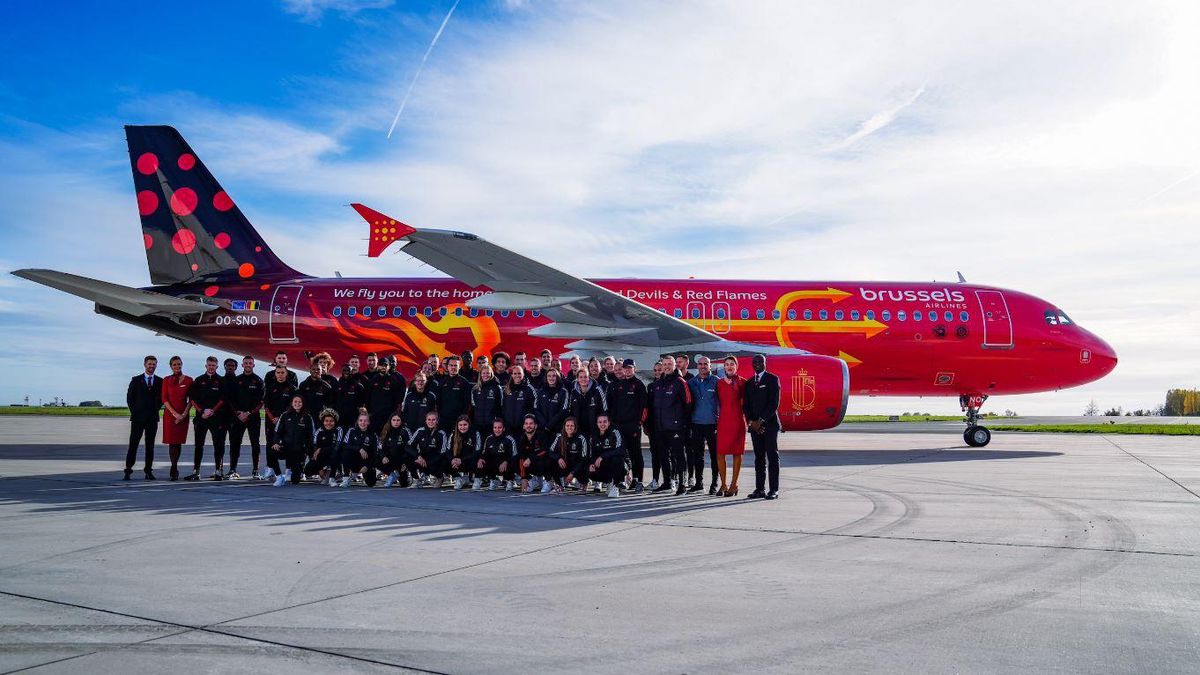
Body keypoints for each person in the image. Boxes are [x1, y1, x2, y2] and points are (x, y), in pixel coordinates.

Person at [652, 355, 692, 495]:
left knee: (679, 456)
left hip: (676, 427)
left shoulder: (680, 382)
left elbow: (688, 404)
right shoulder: (657, 384)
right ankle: (667, 482)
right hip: (660, 427)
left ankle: (682, 484)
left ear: (675, 365)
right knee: (663, 456)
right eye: (665, 364)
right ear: (662, 366)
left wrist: (683, 424)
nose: (667, 366)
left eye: (670, 364)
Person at [744, 354, 781, 500]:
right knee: (758, 458)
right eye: (755, 362)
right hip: (754, 427)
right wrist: (752, 422)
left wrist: (761, 420)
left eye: (760, 361)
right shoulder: (749, 383)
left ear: (765, 363)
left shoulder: (772, 379)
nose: (758, 364)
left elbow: (774, 403)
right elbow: (746, 405)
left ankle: (774, 490)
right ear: (752, 364)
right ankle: (760, 489)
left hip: (770, 425)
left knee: (772, 457)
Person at [608, 358, 647, 491]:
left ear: (634, 369)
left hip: (633, 426)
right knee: (621, 454)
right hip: (619, 426)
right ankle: (622, 480)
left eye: (630, 368)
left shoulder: (639, 385)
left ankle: (638, 480)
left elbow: (644, 407)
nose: (628, 370)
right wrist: (613, 423)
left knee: (636, 454)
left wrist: (639, 423)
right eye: (626, 368)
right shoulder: (619, 385)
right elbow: (613, 406)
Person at [186, 356, 225, 481]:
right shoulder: (198, 380)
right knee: (198, 445)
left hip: (216, 417)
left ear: (217, 366)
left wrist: (212, 410)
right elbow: (192, 399)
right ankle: (196, 471)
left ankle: (218, 471)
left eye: (213, 365)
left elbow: (223, 399)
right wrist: (202, 411)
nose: (211, 367)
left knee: (218, 445)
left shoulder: (221, 380)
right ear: (206, 366)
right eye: (209, 365)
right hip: (201, 418)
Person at [125, 355, 162, 480]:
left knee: (150, 445)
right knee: (133, 444)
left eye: (154, 364)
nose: (151, 366)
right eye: (149, 364)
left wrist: (155, 408)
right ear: (145, 365)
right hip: (138, 418)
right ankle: (128, 469)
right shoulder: (136, 380)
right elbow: (130, 398)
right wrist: (135, 412)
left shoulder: (159, 381)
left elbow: (161, 399)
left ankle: (148, 471)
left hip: (152, 418)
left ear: (156, 365)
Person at [687, 356, 720, 494]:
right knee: (698, 456)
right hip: (696, 424)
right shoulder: (691, 383)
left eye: (705, 364)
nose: (702, 366)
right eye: (700, 364)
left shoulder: (717, 382)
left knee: (714, 456)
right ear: (697, 366)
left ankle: (714, 483)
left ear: (710, 366)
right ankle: (699, 483)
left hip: (713, 424)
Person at [228, 355, 264, 480]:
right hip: (238, 417)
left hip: (253, 417)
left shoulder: (258, 381)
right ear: (242, 365)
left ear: (253, 365)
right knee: (235, 443)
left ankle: (255, 470)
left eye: (250, 363)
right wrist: (239, 413)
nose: (248, 365)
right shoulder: (236, 380)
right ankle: (232, 469)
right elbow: (231, 400)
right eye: (246, 363)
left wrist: (249, 413)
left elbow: (261, 402)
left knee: (255, 444)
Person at [716, 356, 747, 497]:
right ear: (724, 367)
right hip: (723, 421)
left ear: (736, 366)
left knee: (737, 452)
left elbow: (748, 404)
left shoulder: (743, 383)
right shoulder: (719, 383)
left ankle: (734, 484)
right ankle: (723, 484)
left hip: (737, 421)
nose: (729, 366)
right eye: (727, 364)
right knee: (720, 453)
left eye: (732, 364)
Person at [262, 364, 297, 481]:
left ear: (286, 374)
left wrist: (281, 419)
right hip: (272, 421)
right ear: (275, 374)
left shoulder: (292, 389)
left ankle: (288, 470)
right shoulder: (270, 388)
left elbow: (293, 406)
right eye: (278, 372)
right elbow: (266, 406)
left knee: (289, 445)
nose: (280, 375)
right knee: (270, 445)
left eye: (282, 372)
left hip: (287, 422)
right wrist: (273, 418)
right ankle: (272, 470)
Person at [161, 356, 192, 481]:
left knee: (178, 442)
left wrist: (183, 414)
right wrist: (175, 414)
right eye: (174, 364)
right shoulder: (166, 380)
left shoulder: (189, 380)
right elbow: (164, 399)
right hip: (170, 415)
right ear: (171, 366)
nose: (177, 366)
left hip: (183, 414)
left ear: (182, 364)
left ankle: (174, 465)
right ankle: (174, 467)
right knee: (172, 442)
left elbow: (191, 399)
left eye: (179, 364)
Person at [271, 394, 314, 486]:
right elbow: (277, 432)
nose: (297, 404)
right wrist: (276, 443)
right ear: (292, 403)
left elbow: (311, 435)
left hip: (299, 451)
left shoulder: (307, 417)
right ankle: (279, 477)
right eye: (295, 401)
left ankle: (297, 472)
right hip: (286, 447)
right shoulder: (285, 415)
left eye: (299, 402)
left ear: (303, 403)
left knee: (295, 481)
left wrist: (307, 450)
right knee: (271, 452)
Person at [210, 357, 238, 480]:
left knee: (234, 444)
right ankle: (219, 469)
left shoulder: (239, 381)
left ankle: (233, 469)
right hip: (221, 417)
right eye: (228, 365)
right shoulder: (219, 380)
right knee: (219, 444)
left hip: (234, 418)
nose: (230, 367)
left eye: (232, 365)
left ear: (236, 367)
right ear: (224, 367)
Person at [406, 411, 449, 487]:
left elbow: (442, 453)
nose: (431, 422)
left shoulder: (441, 433)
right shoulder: (420, 431)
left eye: (433, 420)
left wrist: (428, 463)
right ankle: (417, 479)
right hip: (422, 458)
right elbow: (408, 446)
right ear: (425, 420)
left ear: (437, 421)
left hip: (435, 461)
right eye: (429, 419)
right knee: (407, 457)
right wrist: (418, 456)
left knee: (442, 461)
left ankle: (440, 477)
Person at [590, 414, 627, 498]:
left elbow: (620, 449)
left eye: (604, 422)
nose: (602, 424)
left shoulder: (615, 431)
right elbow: (591, 453)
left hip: (614, 462)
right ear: (597, 423)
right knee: (588, 468)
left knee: (617, 459)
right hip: (602, 464)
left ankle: (615, 485)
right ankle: (606, 481)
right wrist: (591, 463)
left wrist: (602, 456)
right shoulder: (594, 434)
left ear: (609, 423)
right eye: (600, 422)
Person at [338, 412, 380, 487]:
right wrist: (359, 449)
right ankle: (346, 477)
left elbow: (376, 453)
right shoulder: (352, 430)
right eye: (360, 420)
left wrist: (367, 466)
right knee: (345, 452)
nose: (362, 423)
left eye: (365, 421)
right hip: (354, 459)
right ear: (357, 422)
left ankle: (360, 474)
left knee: (371, 483)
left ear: (368, 422)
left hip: (366, 461)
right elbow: (344, 445)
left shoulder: (373, 434)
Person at [514, 414, 551, 493]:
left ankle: (547, 481)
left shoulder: (542, 435)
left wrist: (531, 458)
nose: (528, 426)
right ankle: (531, 480)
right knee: (515, 459)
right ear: (523, 426)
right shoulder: (522, 438)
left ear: (536, 425)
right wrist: (523, 477)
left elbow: (545, 450)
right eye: (526, 424)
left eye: (531, 423)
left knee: (547, 458)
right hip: (530, 465)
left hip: (542, 464)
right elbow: (521, 457)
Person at [550, 416, 588, 493]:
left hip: (577, 467)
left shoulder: (581, 438)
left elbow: (584, 459)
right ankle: (559, 485)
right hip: (565, 465)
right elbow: (550, 451)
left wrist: (573, 473)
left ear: (575, 427)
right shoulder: (559, 437)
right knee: (550, 461)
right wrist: (558, 458)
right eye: (567, 426)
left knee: (585, 464)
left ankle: (583, 483)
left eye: (572, 426)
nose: (569, 427)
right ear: (564, 427)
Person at [366, 358, 403, 431]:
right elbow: (368, 397)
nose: (383, 367)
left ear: (389, 367)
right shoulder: (373, 380)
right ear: (378, 366)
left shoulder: (393, 381)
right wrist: (368, 412)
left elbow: (397, 400)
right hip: (374, 416)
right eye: (381, 365)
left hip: (387, 417)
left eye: (385, 365)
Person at [478, 419, 516, 491]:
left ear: (504, 428)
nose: (497, 430)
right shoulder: (489, 439)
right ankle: (493, 479)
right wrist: (481, 458)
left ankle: (509, 480)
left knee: (512, 462)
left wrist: (506, 461)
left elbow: (514, 455)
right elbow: (484, 453)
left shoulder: (509, 439)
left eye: (499, 427)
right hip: (494, 464)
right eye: (495, 427)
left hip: (506, 464)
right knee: (481, 461)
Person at [569, 368, 608, 438]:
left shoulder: (597, 390)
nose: (583, 379)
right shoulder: (573, 393)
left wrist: (601, 427)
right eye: (581, 377)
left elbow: (604, 410)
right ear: (577, 379)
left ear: (589, 378)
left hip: (595, 429)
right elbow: (570, 411)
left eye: (585, 377)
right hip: (579, 429)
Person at [436, 356, 471, 432]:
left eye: (455, 365)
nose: (453, 367)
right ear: (447, 367)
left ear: (459, 367)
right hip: (443, 420)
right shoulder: (442, 382)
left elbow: (467, 403)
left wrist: (463, 418)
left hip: (458, 421)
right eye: (451, 365)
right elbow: (438, 402)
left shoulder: (464, 383)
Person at [447, 415, 482, 490]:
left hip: (470, 460)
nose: (462, 427)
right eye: (460, 425)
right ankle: (458, 478)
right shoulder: (453, 433)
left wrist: (462, 460)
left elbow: (477, 451)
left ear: (469, 424)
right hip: (458, 461)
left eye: (465, 425)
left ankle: (477, 478)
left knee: (480, 460)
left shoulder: (475, 433)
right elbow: (448, 450)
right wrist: (452, 460)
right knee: (445, 460)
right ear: (457, 425)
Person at [534, 368, 570, 438]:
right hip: (542, 429)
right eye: (549, 376)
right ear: (546, 378)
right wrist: (544, 424)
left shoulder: (563, 392)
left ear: (557, 377)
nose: (551, 378)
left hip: (557, 429)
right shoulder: (540, 391)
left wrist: (549, 425)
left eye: (554, 376)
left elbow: (563, 410)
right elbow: (536, 409)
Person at [500, 366, 537, 435]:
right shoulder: (506, 389)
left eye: (519, 373)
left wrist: (528, 422)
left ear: (523, 375)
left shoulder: (529, 389)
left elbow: (535, 407)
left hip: (523, 428)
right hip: (508, 427)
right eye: (515, 373)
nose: (517, 375)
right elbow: (502, 407)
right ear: (512, 375)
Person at [309, 409, 342, 485]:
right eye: (326, 421)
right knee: (308, 469)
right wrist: (319, 468)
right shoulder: (319, 431)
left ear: (335, 421)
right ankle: (322, 473)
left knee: (336, 452)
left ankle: (333, 476)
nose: (328, 423)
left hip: (333, 456)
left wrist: (321, 449)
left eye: (331, 421)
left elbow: (337, 446)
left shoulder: (338, 430)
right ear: (323, 422)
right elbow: (314, 448)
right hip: (322, 457)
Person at [379, 413, 412, 487]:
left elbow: (411, 447)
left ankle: (404, 474)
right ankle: (391, 474)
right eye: (394, 420)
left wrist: (405, 462)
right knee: (376, 458)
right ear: (390, 421)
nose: (396, 422)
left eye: (398, 420)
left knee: (404, 484)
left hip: (402, 460)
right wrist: (383, 457)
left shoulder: (405, 430)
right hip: (389, 459)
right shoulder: (386, 430)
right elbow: (380, 447)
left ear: (401, 421)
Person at [470, 365, 504, 437]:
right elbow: (473, 407)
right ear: (481, 374)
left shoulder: (497, 388)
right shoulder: (475, 389)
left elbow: (500, 407)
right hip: (478, 424)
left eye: (488, 373)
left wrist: (497, 422)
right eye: (484, 373)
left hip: (492, 425)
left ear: (491, 374)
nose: (486, 375)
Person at [645, 361, 662, 489]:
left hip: (666, 426)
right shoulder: (650, 386)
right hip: (653, 426)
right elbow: (647, 408)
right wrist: (646, 425)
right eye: (655, 370)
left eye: (659, 370)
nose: (657, 372)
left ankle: (673, 479)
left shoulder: (670, 384)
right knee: (655, 454)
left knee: (669, 455)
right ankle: (655, 480)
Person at [335, 363, 366, 433]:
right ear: (341, 371)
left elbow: (362, 403)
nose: (346, 372)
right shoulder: (337, 385)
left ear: (351, 371)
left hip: (353, 417)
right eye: (344, 370)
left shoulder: (358, 386)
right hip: (340, 417)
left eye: (348, 370)